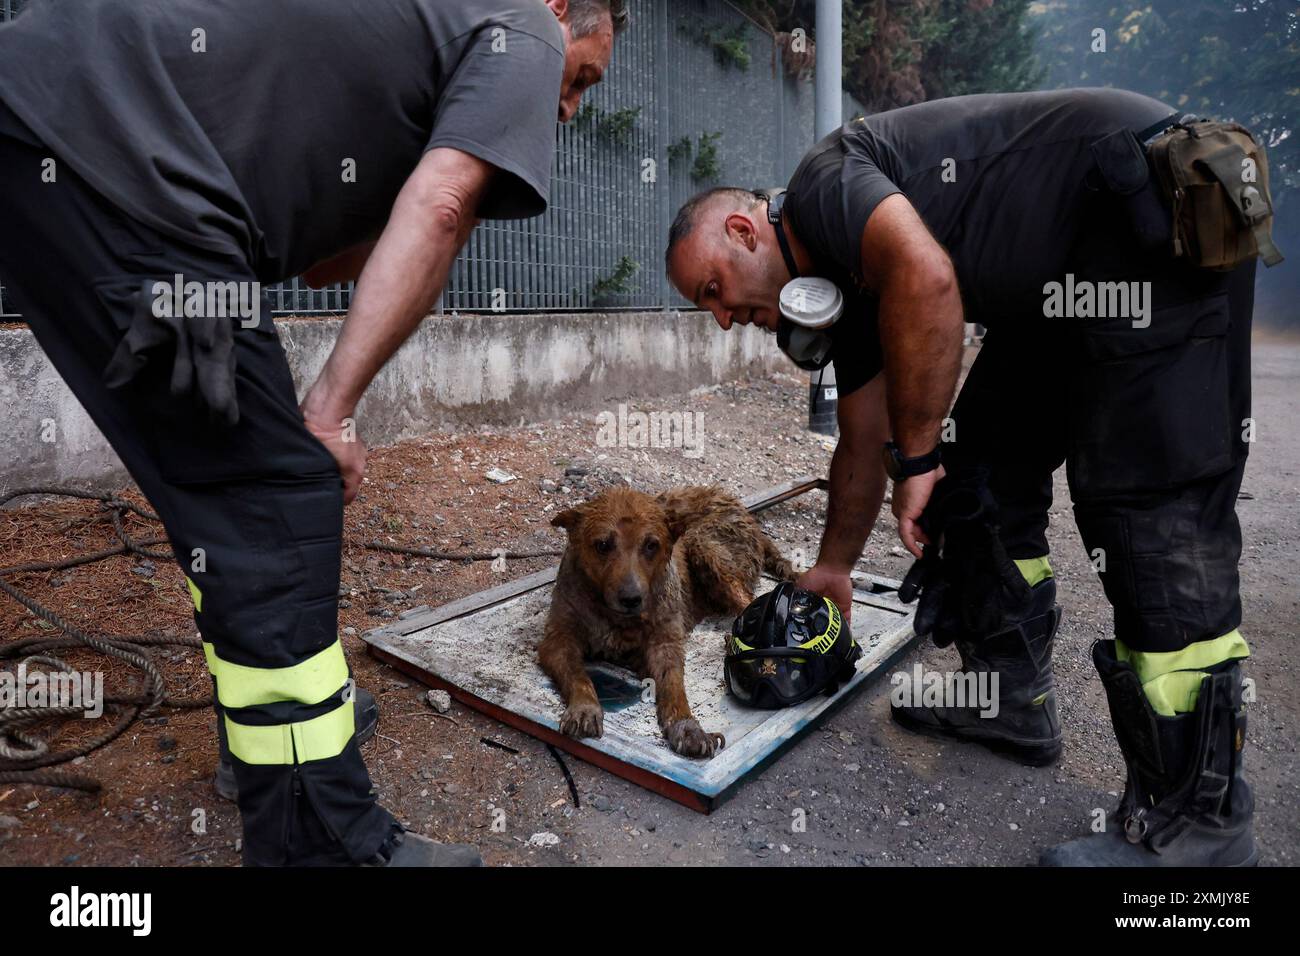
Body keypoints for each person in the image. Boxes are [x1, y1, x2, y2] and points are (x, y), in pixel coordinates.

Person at [0, 0, 627, 867]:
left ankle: (267, 728)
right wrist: (329, 413)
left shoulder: (418, 33)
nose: (567, 109)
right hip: (123, 165)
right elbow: (440, 208)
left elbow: (321, 259)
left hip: (53, 128)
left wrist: (444, 176)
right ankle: (318, 839)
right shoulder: (520, 22)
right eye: (583, 78)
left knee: (225, 490)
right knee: (277, 492)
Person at [664, 88, 1261, 866]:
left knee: (1149, 509)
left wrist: (915, 460)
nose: (720, 317)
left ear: (744, 231)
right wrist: (836, 566)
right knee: (976, 475)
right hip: (1064, 283)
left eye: (712, 289)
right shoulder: (845, 281)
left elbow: (929, 279)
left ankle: (1202, 826)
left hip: (1149, 217)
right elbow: (861, 434)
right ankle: (1011, 699)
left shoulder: (824, 185)